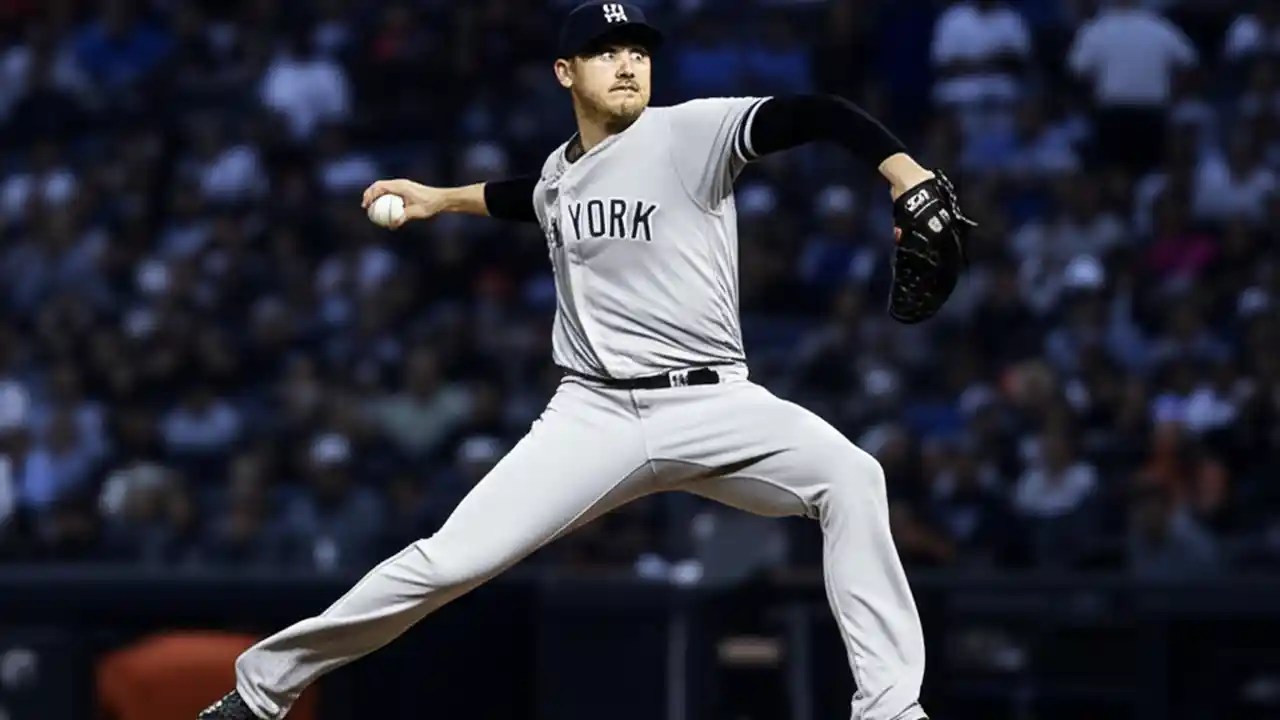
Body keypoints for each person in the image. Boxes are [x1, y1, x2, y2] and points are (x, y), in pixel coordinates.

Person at [200, 3, 972, 719]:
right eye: (605, 52)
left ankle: (890, 710)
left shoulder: (687, 133)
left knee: (851, 476)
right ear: (566, 72)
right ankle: (260, 693)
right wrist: (441, 198)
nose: (628, 63)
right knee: (445, 564)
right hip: (593, 415)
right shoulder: (561, 170)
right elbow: (526, 196)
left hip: (716, 404)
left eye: (637, 50)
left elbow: (819, 113)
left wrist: (902, 173)